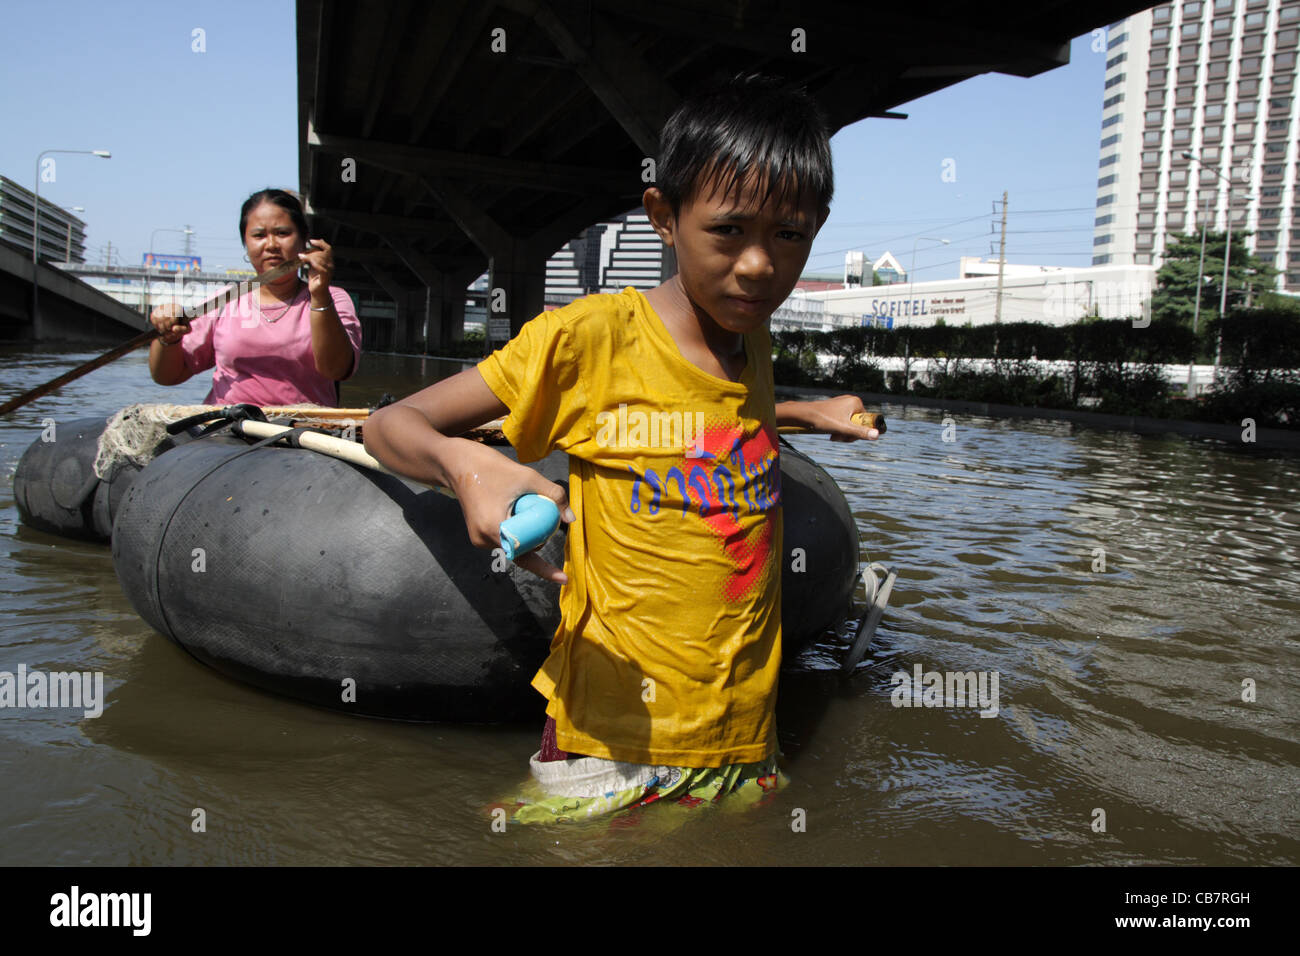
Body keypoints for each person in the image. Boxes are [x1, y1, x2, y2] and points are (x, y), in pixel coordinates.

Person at [363, 74, 880, 823]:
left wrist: (808, 413)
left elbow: (715, 426)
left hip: (738, 720)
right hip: (615, 731)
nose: (761, 264)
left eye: (789, 235)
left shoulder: (750, 335)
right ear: (664, 218)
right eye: (729, 230)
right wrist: (466, 463)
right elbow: (393, 424)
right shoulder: (589, 339)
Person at [147, 188, 362, 407]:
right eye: (259, 235)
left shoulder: (333, 298)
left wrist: (319, 296)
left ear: (304, 239)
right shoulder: (225, 302)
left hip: (306, 431)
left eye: (282, 233)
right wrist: (168, 337)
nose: (271, 245)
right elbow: (167, 377)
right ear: (246, 244)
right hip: (226, 429)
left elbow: (337, 369)